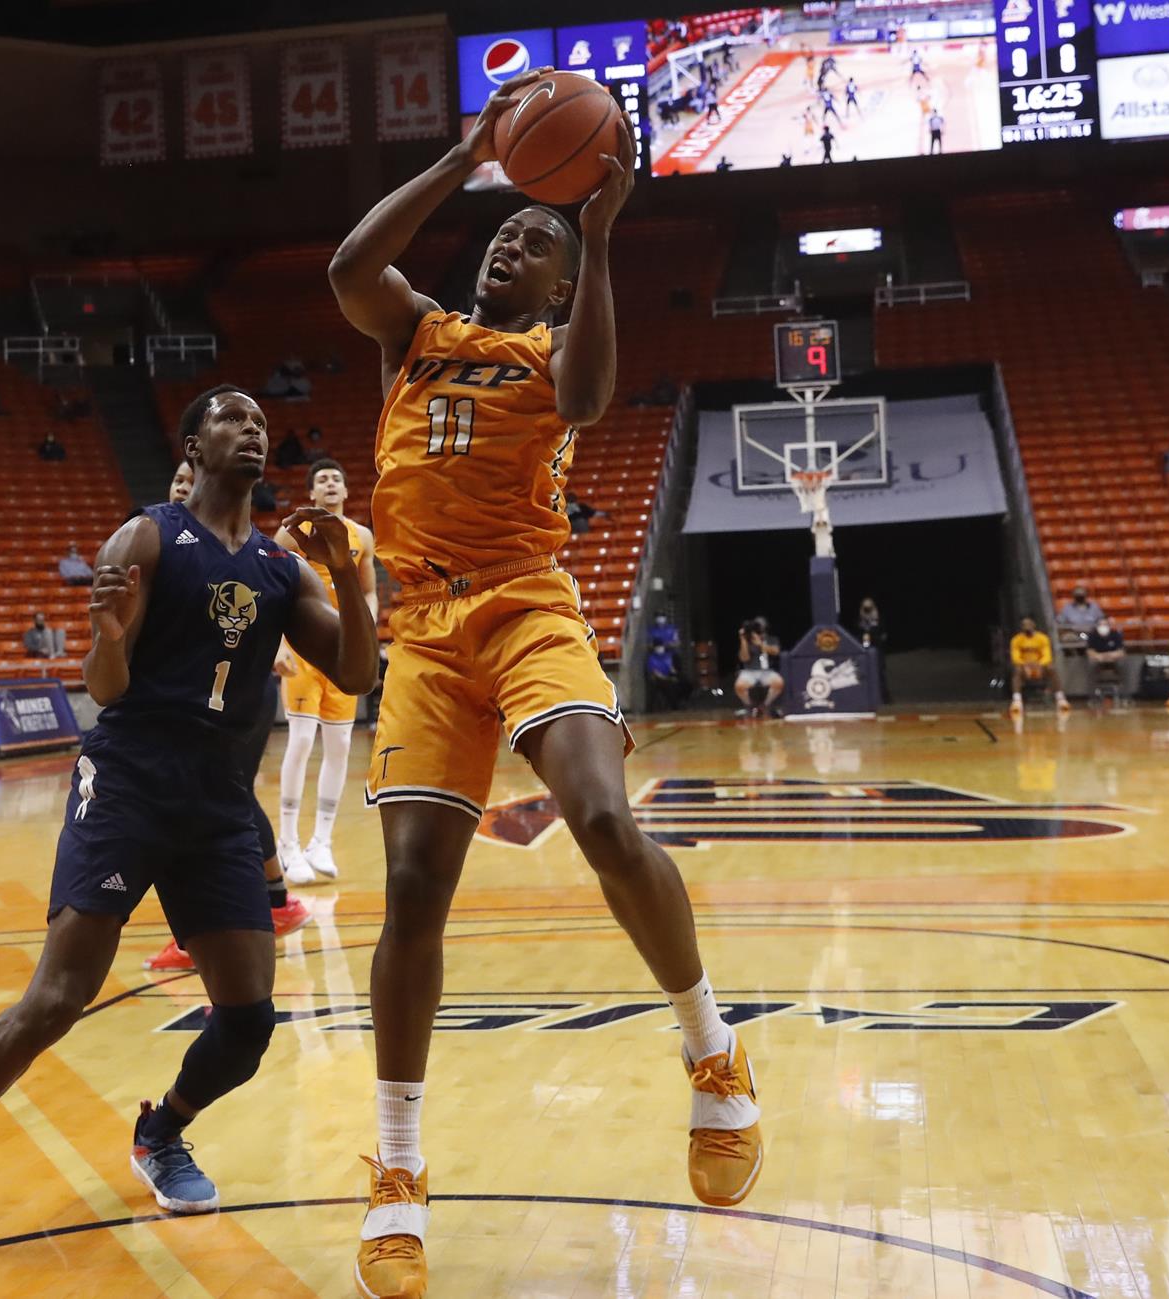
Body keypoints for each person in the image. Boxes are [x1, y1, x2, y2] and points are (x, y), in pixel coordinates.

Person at [329, 71, 762, 1296]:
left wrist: (601, 237)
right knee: (413, 887)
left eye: (538, 242)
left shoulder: (548, 350)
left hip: (523, 601)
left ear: (559, 287)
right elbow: (348, 269)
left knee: (602, 819)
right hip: (419, 627)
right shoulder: (416, 332)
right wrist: (465, 158)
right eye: (507, 230)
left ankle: (711, 1053)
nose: (513, 242)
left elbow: (587, 393)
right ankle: (399, 1168)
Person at [0, 384, 379, 1278]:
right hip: (132, 780)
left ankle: (160, 1128)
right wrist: (104, 632)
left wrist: (354, 577)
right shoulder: (146, 537)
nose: (251, 428)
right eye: (230, 417)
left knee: (249, 1020)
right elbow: (105, 683)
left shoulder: (281, 569)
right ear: (192, 443)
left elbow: (359, 669)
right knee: (58, 997)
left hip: (217, 803)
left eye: (260, 419)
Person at [146, 452, 319, 972]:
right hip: (194, 698)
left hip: (239, 689)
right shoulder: (158, 540)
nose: (181, 488)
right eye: (175, 480)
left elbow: (258, 604)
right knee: (228, 794)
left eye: (188, 480)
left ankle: (208, 926)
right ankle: (274, 902)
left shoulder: (239, 546)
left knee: (213, 798)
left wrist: (278, 644)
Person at [271, 459, 377, 886]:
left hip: (341, 653)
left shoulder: (362, 536)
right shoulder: (291, 532)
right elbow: (271, 591)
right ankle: (288, 841)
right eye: (322, 480)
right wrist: (277, 642)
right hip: (302, 648)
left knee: (340, 745)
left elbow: (368, 591)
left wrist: (365, 633)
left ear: (346, 492)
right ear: (311, 493)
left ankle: (322, 841)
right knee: (299, 741)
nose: (330, 484)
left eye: (337, 478)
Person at [1008, 615, 1068, 712]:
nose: (1027, 626)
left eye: (1029, 624)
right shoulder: (1016, 640)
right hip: (1025, 668)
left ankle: (1060, 699)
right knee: (1017, 670)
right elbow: (1015, 657)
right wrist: (1025, 665)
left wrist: (1039, 665)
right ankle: (1017, 701)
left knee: (1051, 668)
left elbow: (1047, 656)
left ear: (1034, 625)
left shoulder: (1043, 638)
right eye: (1024, 625)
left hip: (1040, 667)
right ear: (1021, 627)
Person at [735, 618, 783, 718]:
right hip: (749, 671)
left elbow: (776, 651)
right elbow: (744, 658)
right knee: (739, 686)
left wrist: (760, 644)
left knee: (779, 683)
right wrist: (743, 640)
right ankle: (750, 706)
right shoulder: (748, 641)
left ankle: (765, 705)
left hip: (767, 671)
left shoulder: (771, 639)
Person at [645, 640, 690, 710]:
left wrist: (674, 673)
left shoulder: (667, 656)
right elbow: (655, 673)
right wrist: (668, 678)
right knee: (670, 686)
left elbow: (672, 669)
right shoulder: (652, 658)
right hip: (660, 679)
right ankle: (674, 706)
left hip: (670, 676)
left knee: (685, 682)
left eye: (661, 646)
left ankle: (684, 701)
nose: (660, 648)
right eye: (658, 647)